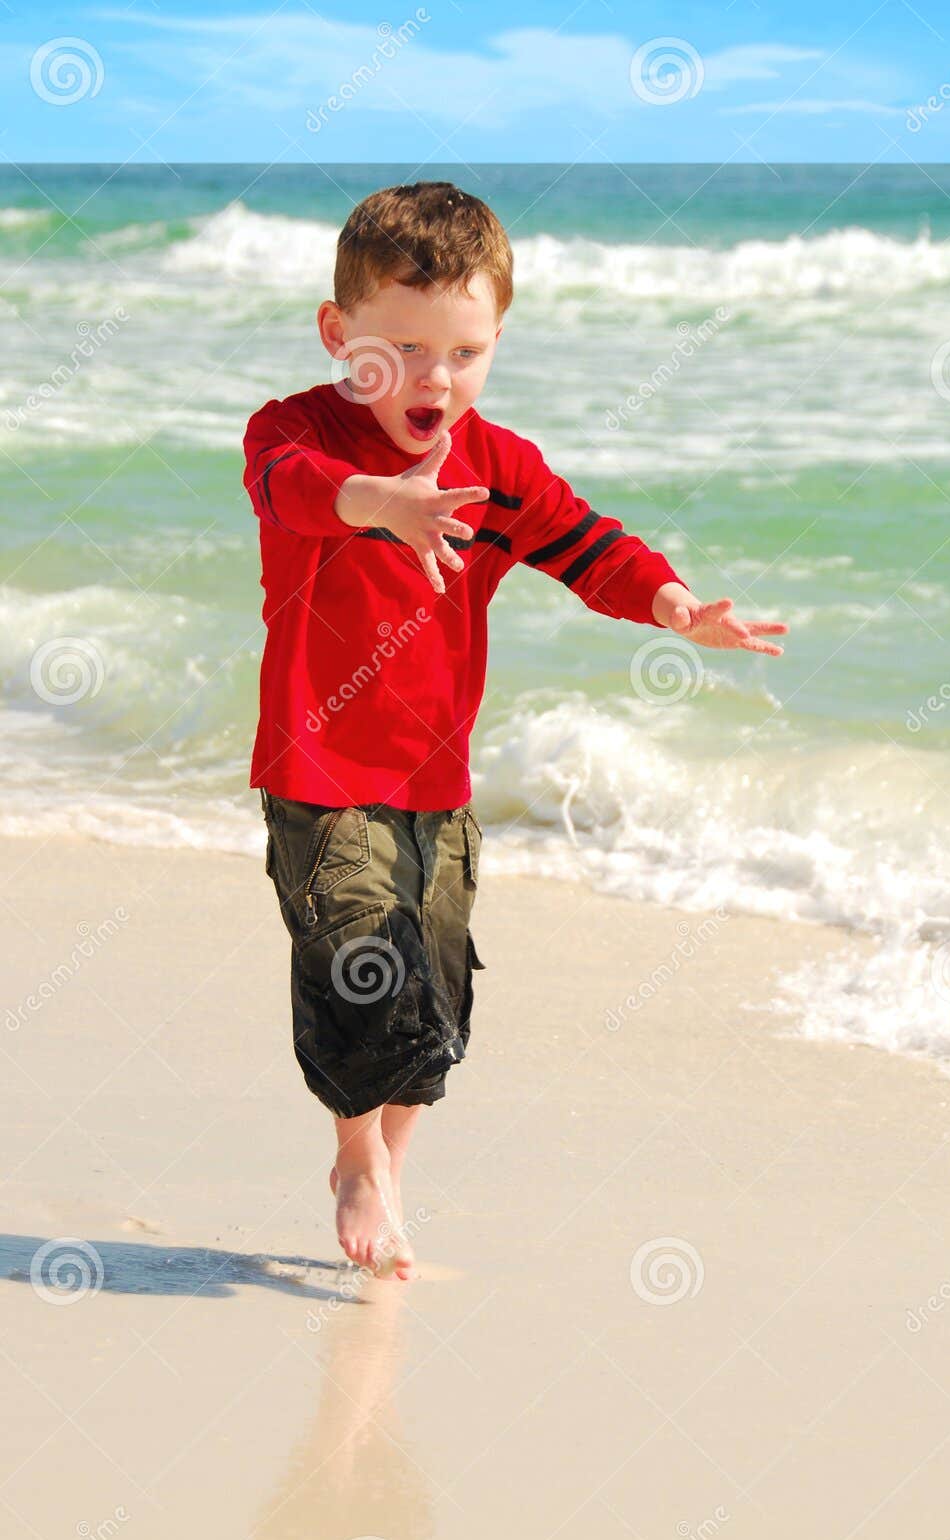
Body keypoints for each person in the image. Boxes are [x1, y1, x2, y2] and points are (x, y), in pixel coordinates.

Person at [242, 181, 787, 1281]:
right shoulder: (295, 432)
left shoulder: (500, 464)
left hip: (436, 780)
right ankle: (354, 1158)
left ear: (495, 343)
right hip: (318, 763)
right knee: (362, 959)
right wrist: (385, 503)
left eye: (465, 352)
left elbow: (590, 543)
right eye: (398, 349)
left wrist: (675, 603)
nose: (434, 378)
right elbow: (292, 490)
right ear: (337, 335)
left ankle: (391, 1166)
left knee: (436, 999)